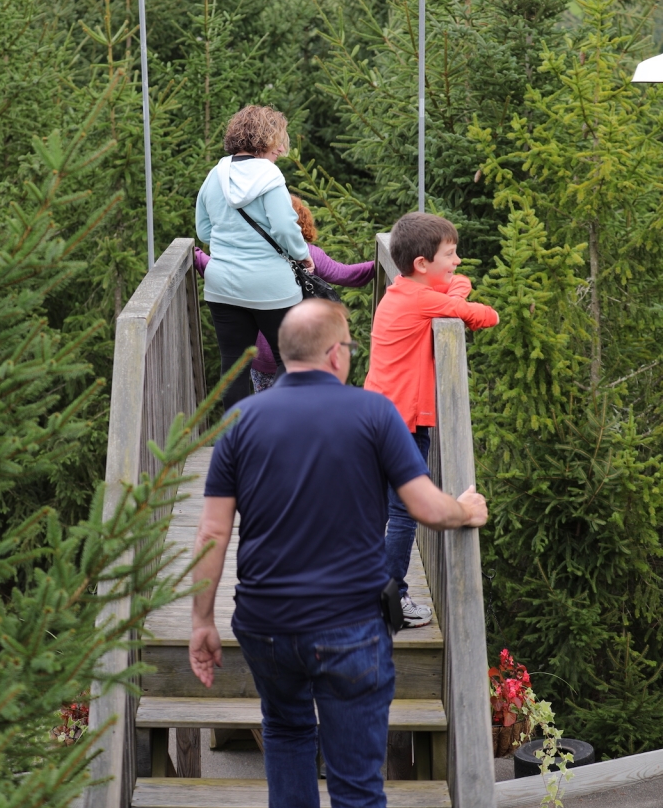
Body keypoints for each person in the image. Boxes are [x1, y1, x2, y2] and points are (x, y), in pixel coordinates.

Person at [188, 299, 488, 808]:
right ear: (334, 354)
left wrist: (202, 621)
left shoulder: (240, 421)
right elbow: (425, 507)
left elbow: (212, 532)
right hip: (350, 625)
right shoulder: (374, 413)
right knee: (357, 790)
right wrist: (465, 509)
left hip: (265, 624)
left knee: (286, 731)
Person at [364, 212, 499, 627]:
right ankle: (392, 599)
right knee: (405, 512)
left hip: (375, 416)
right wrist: (457, 296)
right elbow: (485, 315)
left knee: (376, 510)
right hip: (404, 423)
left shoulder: (403, 291)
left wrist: (454, 291)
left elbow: (459, 291)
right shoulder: (423, 300)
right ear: (422, 264)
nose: (457, 261)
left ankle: (364, 588)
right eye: (450, 254)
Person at [195, 105, 313, 409]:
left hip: (222, 286)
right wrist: (302, 255)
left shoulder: (215, 174)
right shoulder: (270, 175)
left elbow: (204, 230)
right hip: (272, 287)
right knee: (292, 361)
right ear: (264, 139)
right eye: (279, 141)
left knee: (233, 367)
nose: (281, 150)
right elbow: (284, 228)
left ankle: (236, 436)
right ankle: (275, 428)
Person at [194, 195, 375, 392]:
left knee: (268, 406)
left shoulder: (250, 259)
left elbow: (215, 270)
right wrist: (382, 262)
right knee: (301, 406)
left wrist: (195, 254)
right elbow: (348, 274)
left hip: (262, 359)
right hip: (305, 355)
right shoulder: (309, 254)